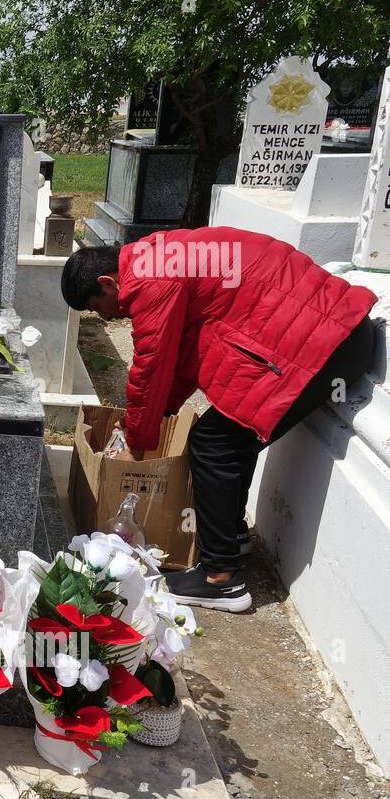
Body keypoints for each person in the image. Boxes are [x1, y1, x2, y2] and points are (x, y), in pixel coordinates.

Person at [60, 227, 376, 612]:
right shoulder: (154, 257)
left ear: (108, 282)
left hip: (323, 341)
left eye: (98, 306)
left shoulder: (148, 279)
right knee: (231, 429)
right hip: (333, 331)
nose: (106, 315)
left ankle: (220, 578)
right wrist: (141, 426)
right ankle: (229, 538)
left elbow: (152, 364)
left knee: (214, 442)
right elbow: (176, 365)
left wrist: (138, 445)